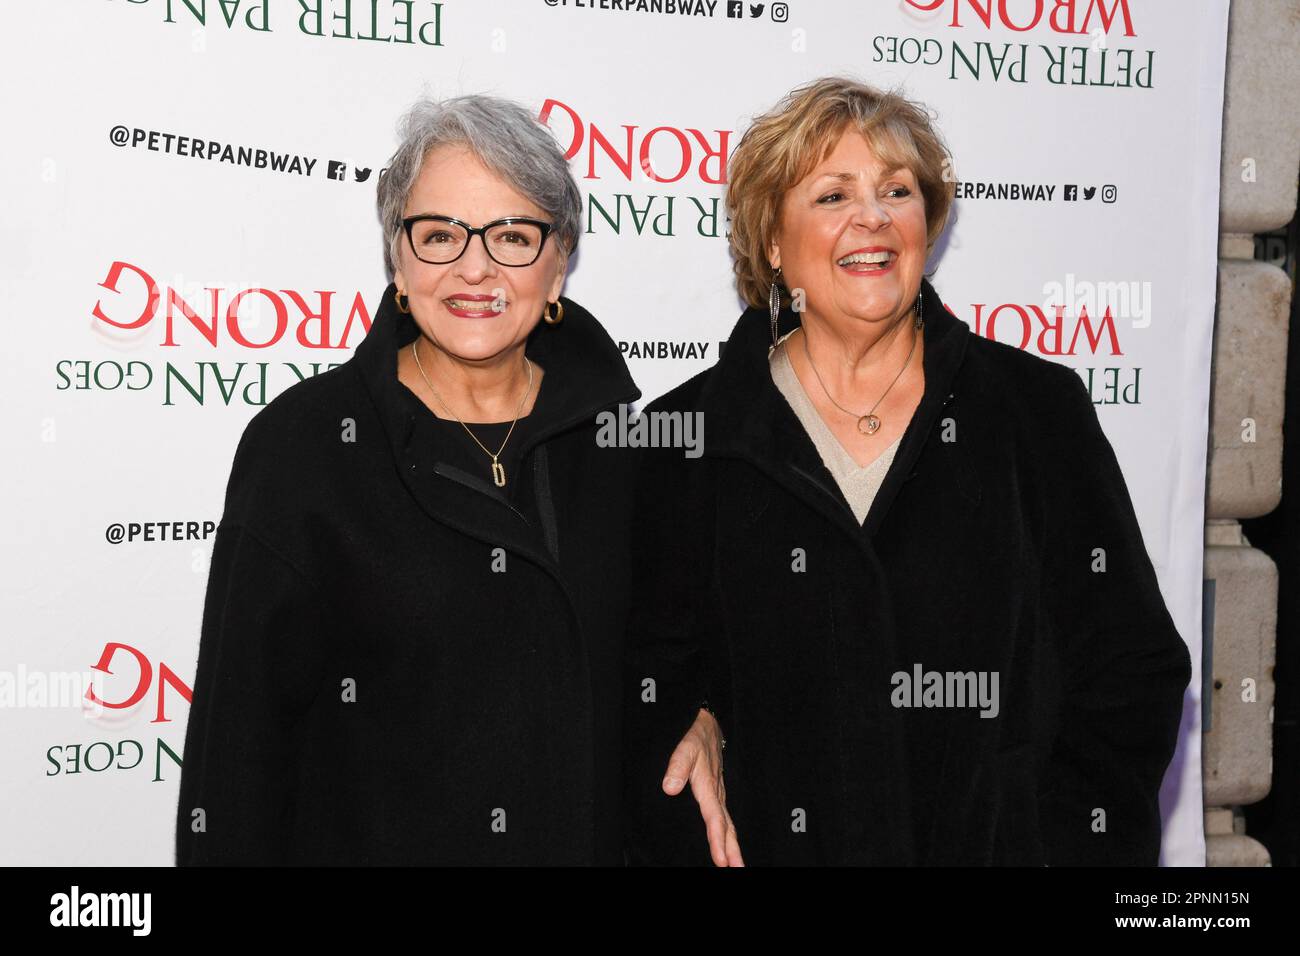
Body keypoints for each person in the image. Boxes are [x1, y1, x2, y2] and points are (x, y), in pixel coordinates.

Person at [624, 76, 1192, 865]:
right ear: (774, 244)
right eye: (832, 195)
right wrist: (693, 719)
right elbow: (643, 675)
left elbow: (1132, 667)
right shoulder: (688, 439)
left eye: (897, 190)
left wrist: (1056, 843)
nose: (873, 217)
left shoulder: (1033, 411)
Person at [175, 93, 727, 865]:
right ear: (397, 258)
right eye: (439, 235)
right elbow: (238, 754)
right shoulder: (304, 448)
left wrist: (701, 712)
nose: (475, 268)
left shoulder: (622, 446)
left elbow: (669, 651)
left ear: (559, 258)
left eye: (512, 235)